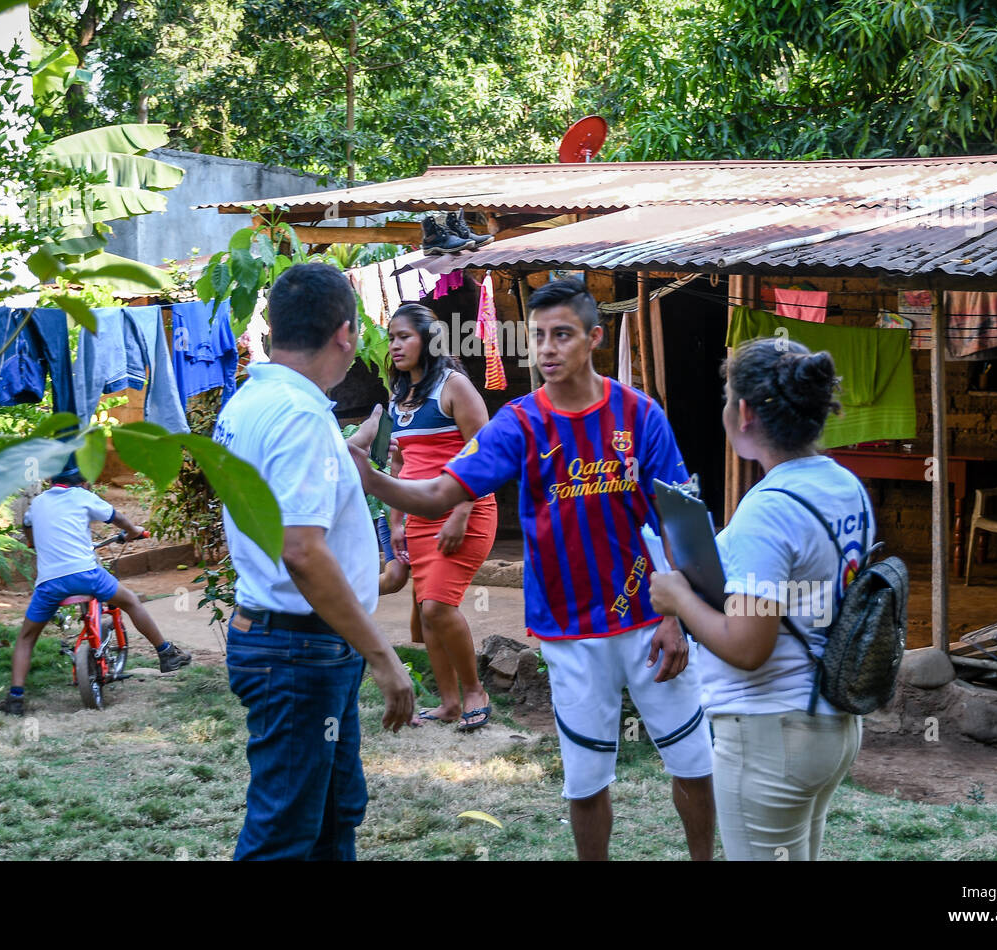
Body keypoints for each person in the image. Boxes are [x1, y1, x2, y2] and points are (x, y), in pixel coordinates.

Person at [349, 279, 714, 861]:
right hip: (569, 633)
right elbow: (444, 489)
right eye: (538, 336)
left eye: (561, 335)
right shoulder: (518, 422)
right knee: (587, 780)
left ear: (595, 338)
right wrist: (373, 480)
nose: (546, 349)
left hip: (649, 621)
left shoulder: (640, 415)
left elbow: (680, 520)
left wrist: (680, 614)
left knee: (693, 764)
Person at [213, 262, 415, 862]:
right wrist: (383, 655)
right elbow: (300, 550)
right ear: (345, 334)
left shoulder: (254, 400)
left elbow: (279, 502)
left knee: (331, 817)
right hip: (300, 651)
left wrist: (342, 457)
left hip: (292, 644)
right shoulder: (301, 417)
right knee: (284, 837)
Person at [648, 337, 872, 861]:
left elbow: (749, 646)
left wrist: (680, 598)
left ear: (743, 412)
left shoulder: (768, 510)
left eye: (728, 397)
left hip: (770, 734)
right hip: (831, 724)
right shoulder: (846, 486)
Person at [0, 467, 191, 716]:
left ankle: (15, 698)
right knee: (130, 601)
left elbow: (28, 527)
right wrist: (133, 532)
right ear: (84, 482)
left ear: (50, 480)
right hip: (86, 575)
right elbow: (118, 518)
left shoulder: (38, 503)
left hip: (50, 583)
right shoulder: (82, 496)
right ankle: (166, 653)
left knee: (26, 638)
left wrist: (35, 540)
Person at [384, 302, 498, 730]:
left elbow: (484, 454)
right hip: (417, 519)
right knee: (426, 610)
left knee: (436, 605)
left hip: (464, 512)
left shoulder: (455, 387)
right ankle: (449, 703)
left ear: (428, 340)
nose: (395, 345)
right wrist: (396, 523)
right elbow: (400, 468)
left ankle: (474, 692)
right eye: (392, 337)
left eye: (404, 337)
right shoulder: (398, 397)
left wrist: (462, 511)